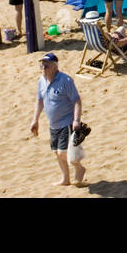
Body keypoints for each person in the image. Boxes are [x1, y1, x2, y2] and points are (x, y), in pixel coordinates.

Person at [31, 53, 85, 187]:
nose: (43, 68)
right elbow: (39, 101)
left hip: (66, 122)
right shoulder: (41, 81)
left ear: (55, 66)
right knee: (56, 152)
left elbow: (77, 100)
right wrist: (35, 119)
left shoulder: (65, 80)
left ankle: (79, 168)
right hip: (53, 125)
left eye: (46, 65)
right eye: (41, 65)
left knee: (63, 152)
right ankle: (65, 179)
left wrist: (76, 120)